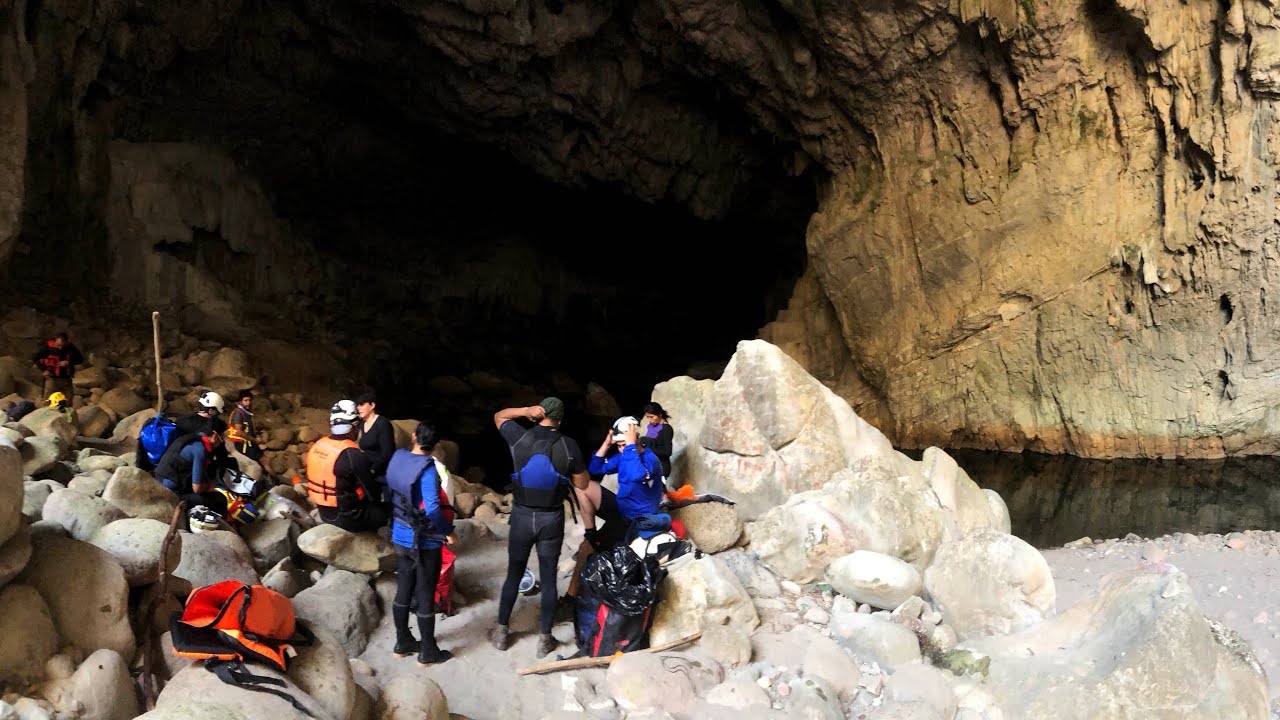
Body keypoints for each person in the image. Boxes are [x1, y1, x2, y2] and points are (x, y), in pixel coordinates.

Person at [489, 397, 589, 657]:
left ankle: (501, 633)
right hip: (550, 520)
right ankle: (545, 638)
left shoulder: (519, 438)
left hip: (522, 517)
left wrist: (524, 411)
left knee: (514, 574)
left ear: (539, 413)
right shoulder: (569, 446)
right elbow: (581, 484)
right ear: (560, 419)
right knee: (548, 578)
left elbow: (499, 416)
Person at [559, 416, 667, 604]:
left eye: (624, 444)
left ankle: (570, 597)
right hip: (620, 507)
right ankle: (591, 532)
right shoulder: (625, 455)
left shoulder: (649, 460)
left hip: (635, 518)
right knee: (582, 485)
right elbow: (595, 468)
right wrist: (607, 443)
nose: (621, 449)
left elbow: (636, 474)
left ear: (636, 439)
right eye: (619, 446)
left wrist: (631, 444)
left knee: (586, 549)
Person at [385, 422, 457, 666]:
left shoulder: (398, 458)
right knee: (426, 593)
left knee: (404, 587)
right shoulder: (428, 470)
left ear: (414, 437)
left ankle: (402, 641)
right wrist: (448, 532)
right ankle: (428, 651)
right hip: (424, 542)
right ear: (435, 445)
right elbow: (434, 508)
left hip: (400, 535)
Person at [305, 400, 388, 532]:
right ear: (354, 426)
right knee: (387, 509)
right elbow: (373, 493)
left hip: (323, 512)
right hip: (347, 518)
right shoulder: (352, 454)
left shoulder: (318, 445)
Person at [154, 419, 234, 505]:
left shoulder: (194, 438)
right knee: (221, 499)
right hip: (172, 492)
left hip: (164, 477)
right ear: (214, 436)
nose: (222, 442)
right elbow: (197, 488)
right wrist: (211, 487)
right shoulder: (200, 450)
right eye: (222, 438)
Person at [356, 392, 395, 500]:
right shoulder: (362, 424)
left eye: (362, 404)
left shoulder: (383, 424)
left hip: (383, 474)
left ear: (372, 405)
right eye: (357, 405)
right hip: (369, 473)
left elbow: (387, 453)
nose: (358, 407)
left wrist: (373, 470)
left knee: (387, 506)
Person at [32, 332, 83, 404]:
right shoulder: (48, 347)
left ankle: (66, 414)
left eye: (63, 345)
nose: (60, 348)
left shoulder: (70, 347)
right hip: (52, 379)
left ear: (66, 342)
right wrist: (44, 370)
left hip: (66, 380)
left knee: (68, 401)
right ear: (55, 340)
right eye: (58, 345)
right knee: (48, 401)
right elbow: (35, 358)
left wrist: (68, 362)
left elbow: (80, 359)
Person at [227, 389, 265, 461]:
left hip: (249, 443)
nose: (248, 403)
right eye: (245, 400)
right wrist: (254, 440)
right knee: (265, 460)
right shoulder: (238, 413)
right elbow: (239, 432)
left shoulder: (246, 412)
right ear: (240, 402)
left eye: (250, 400)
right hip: (243, 445)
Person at [639, 402, 674, 478]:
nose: (649, 420)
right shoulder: (651, 427)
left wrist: (646, 449)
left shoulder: (666, 429)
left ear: (660, 414)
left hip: (661, 467)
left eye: (651, 417)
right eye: (647, 417)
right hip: (651, 465)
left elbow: (668, 452)